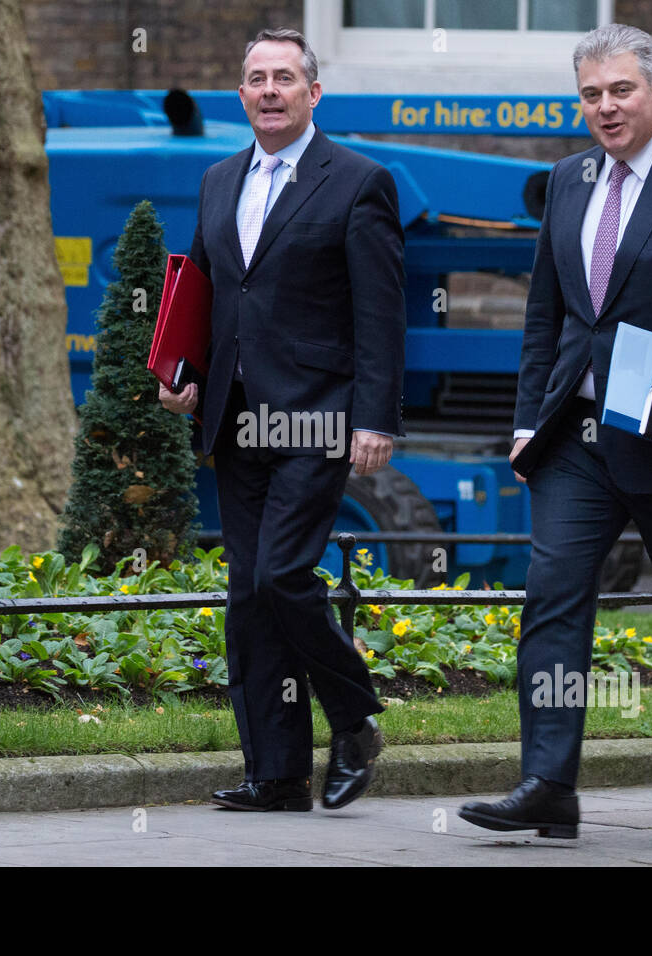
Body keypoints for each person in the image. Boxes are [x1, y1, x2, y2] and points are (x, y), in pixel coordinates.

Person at [459, 23, 652, 848]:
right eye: (591, 94)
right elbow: (547, 314)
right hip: (578, 441)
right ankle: (548, 785)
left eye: (621, 90)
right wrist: (529, 423)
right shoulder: (568, 180)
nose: (605, 107)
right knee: (552, 602)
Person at [158, 28, 405, 811]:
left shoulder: (360, 182)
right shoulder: (217, 180)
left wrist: (376, 419)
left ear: (313, 94)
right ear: (242, 95)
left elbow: (381, 313)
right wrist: (182, 371)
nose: (269, 90)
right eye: (256, 79)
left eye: (285, 78)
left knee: (283, 577)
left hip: (317, 417)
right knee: (248, 595)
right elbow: (204, 289)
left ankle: (356, 715)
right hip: (235, 418)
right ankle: (276, 773)